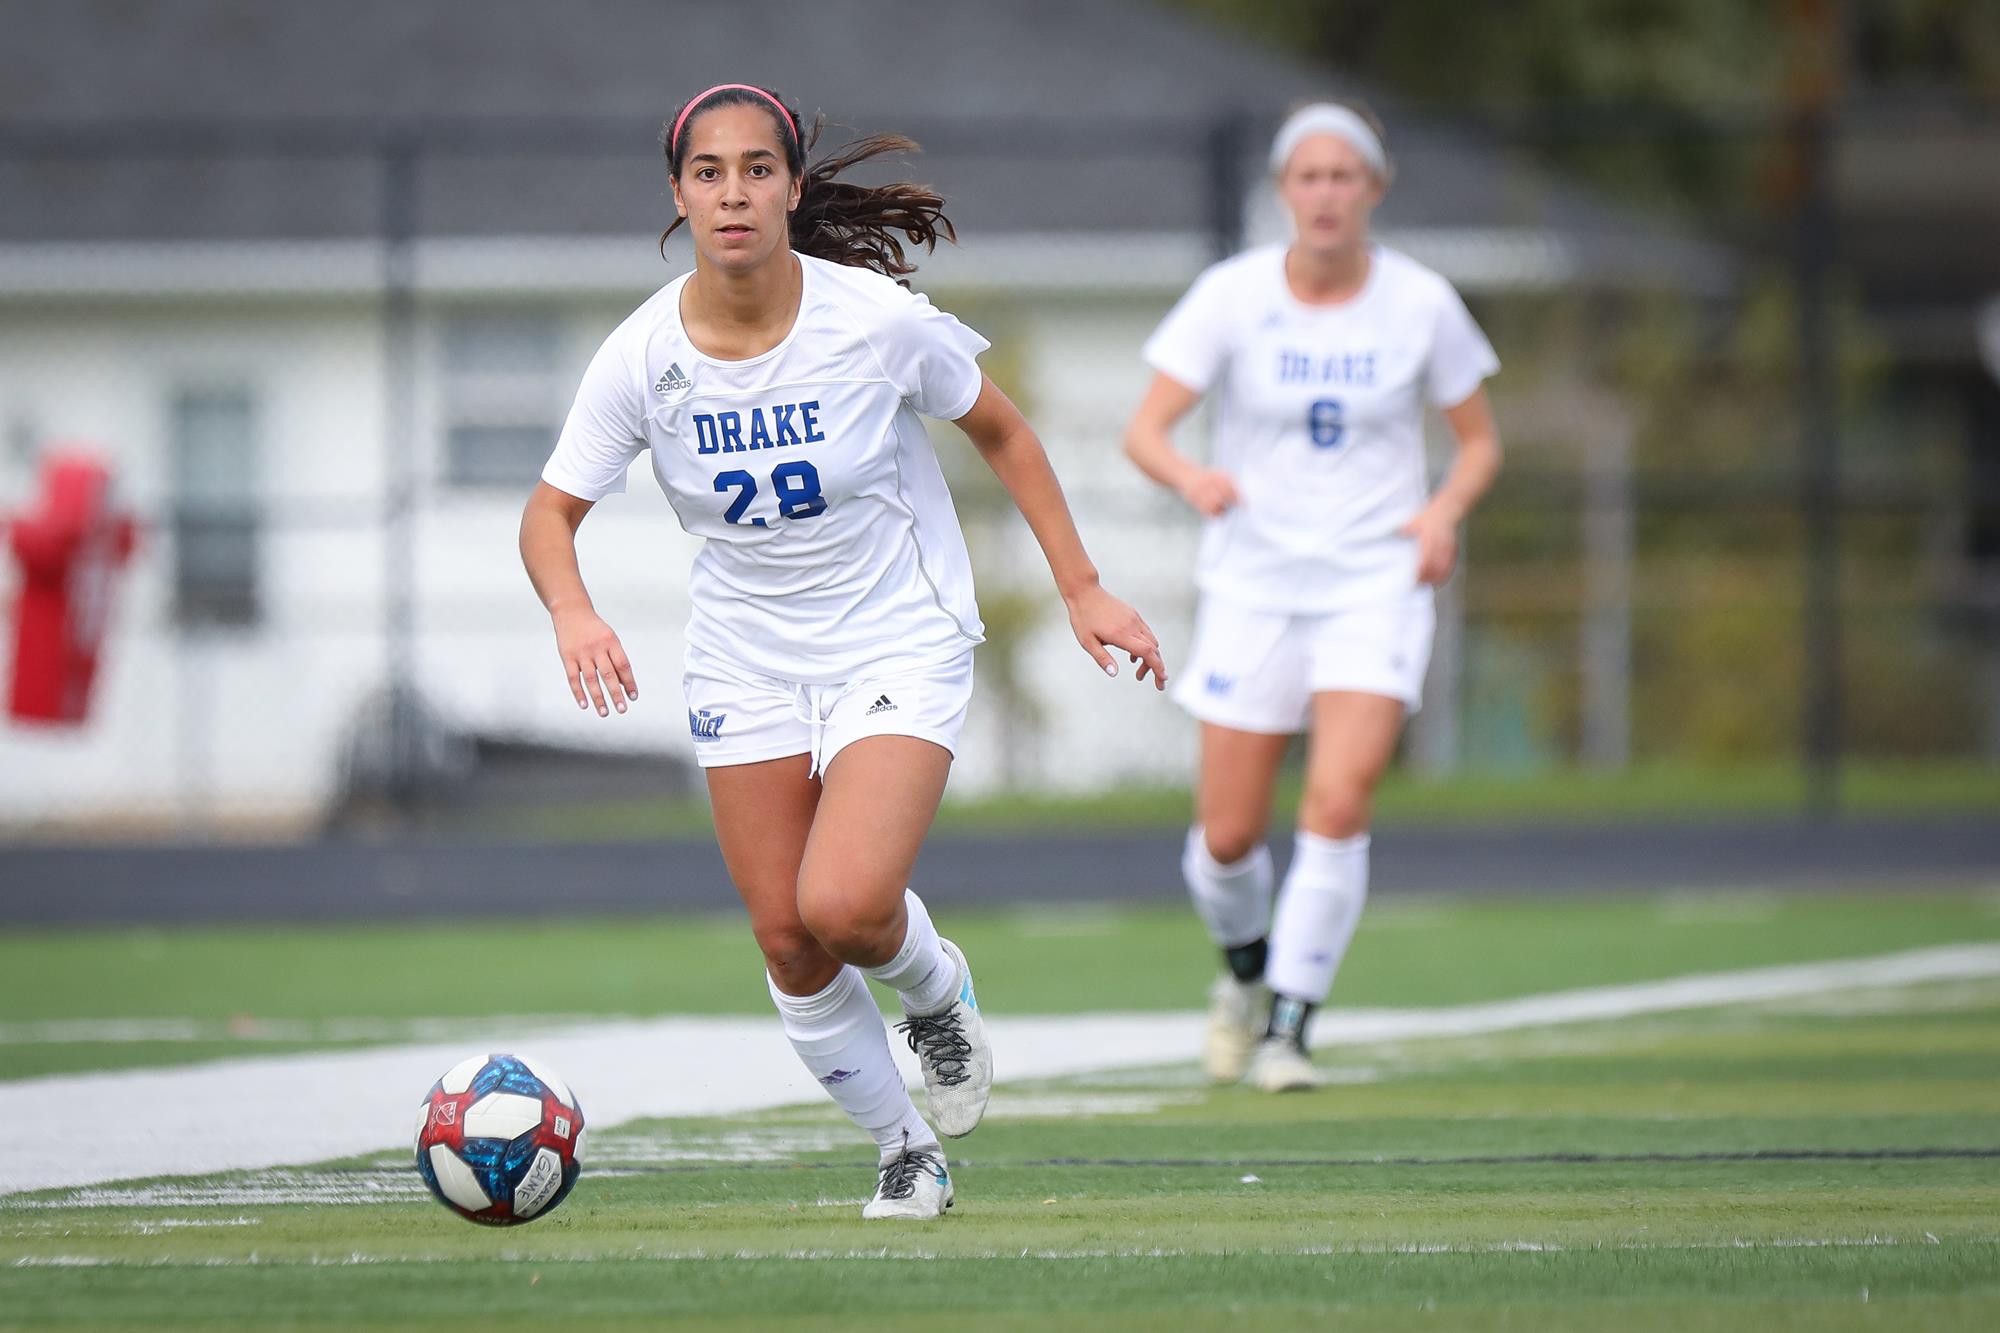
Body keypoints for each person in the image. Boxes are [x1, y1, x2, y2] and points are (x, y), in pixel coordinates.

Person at [519, 84, 1165, 1220]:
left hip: (895, 636)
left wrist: (1083, 587)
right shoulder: (641, 354)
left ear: (792, 186)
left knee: (849, 903)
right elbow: (547, 514)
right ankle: (902, 1147)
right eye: (708, 172)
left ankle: (937, 990)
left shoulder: (873, 320)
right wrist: (572, 609)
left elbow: (1002, 430)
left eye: (756, 169)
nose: (733, 192)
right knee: (787, 934)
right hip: (744, 662)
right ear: (677, 193)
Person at [1123, 102, 1502, 1093]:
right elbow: (1147, 430)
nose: (1325, 194)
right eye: (1308, 176)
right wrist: (1190, 478)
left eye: (1344, 176)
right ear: (1282, 191)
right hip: (1253, 583)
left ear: (1372, 189)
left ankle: (1288, 1029)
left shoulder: (1419, 302)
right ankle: (1243, 980)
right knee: (1225, 840)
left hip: (1373, 583)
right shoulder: (1232, 295)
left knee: (1336, 801)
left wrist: (1441, 514)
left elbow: (1477, 440)